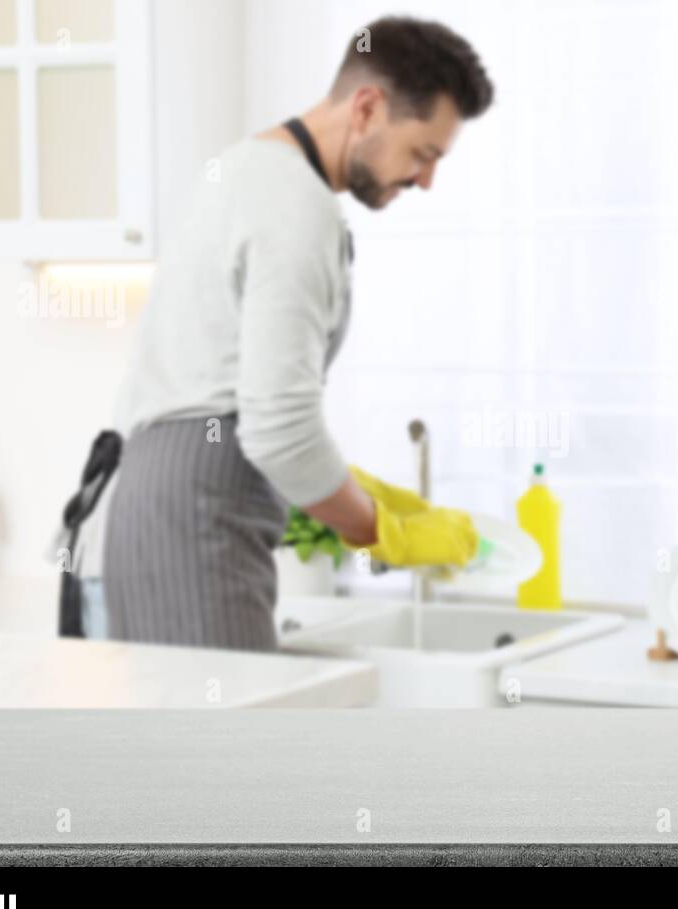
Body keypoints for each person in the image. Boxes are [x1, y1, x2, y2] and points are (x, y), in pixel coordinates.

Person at [101, 16, 494, 650]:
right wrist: (383, 532)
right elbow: (278, 431)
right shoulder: (297, 204)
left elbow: (240, 395)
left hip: (166, 498)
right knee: (226, 746)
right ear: (367, 107)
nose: (426, 180)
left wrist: (357, 489)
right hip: (198, 504)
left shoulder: (248, 170)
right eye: (423, 153)